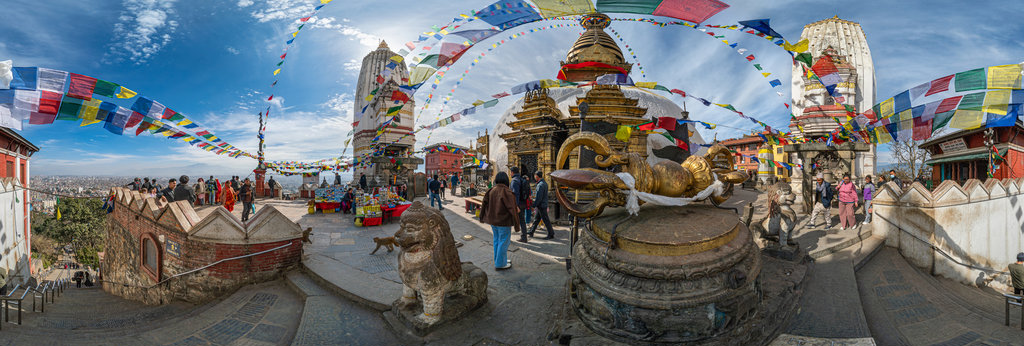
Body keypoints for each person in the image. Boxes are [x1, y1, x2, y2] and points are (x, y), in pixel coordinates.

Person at [479, 172, 521, 270]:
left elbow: (484, 205)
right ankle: (500, 264)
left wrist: (481, 217)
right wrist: (517, 224)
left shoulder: (491, 190)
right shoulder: (507, 192)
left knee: (497, 241)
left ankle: (500, 260)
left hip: (493, 221)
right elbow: (512, 209)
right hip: (503, 222)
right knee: (503, 242)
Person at [528, 171, 554, 239]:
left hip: (541, 205)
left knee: (545, 220)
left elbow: (539, 197)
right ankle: (531, 231)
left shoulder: (540, 185)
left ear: (537, 176)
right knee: (536, 219)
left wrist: (534, 205)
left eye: (535, 176)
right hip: (542, 205)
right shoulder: (544, 183)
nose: (534, 177)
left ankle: (551, 234)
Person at [510, 166, 531, 241]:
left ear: (512, 172)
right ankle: (524, 237)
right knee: (522, 221)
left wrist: (516, 205)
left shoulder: (514, 181)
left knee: (510, 220)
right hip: (523, 203)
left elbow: (515, 194)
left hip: (517, 204)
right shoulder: (521, 179)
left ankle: (507, 238)